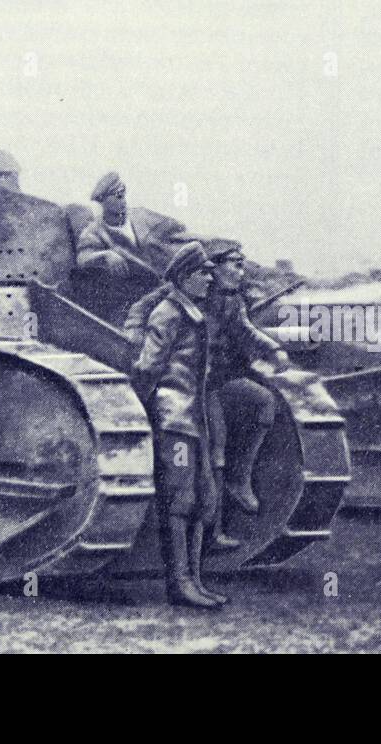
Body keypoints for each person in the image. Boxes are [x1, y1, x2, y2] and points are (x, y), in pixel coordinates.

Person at [133, 243, 227, 609]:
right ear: (185, 276)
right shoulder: (168, 313)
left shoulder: (191, 312)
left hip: (193, 419)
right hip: (174, 420)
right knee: (179, 499)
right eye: (203, 272)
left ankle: (195, 582)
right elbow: (146, 367)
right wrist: (145, 408)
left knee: (203, 499)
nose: (209, 278)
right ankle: (180, 583)